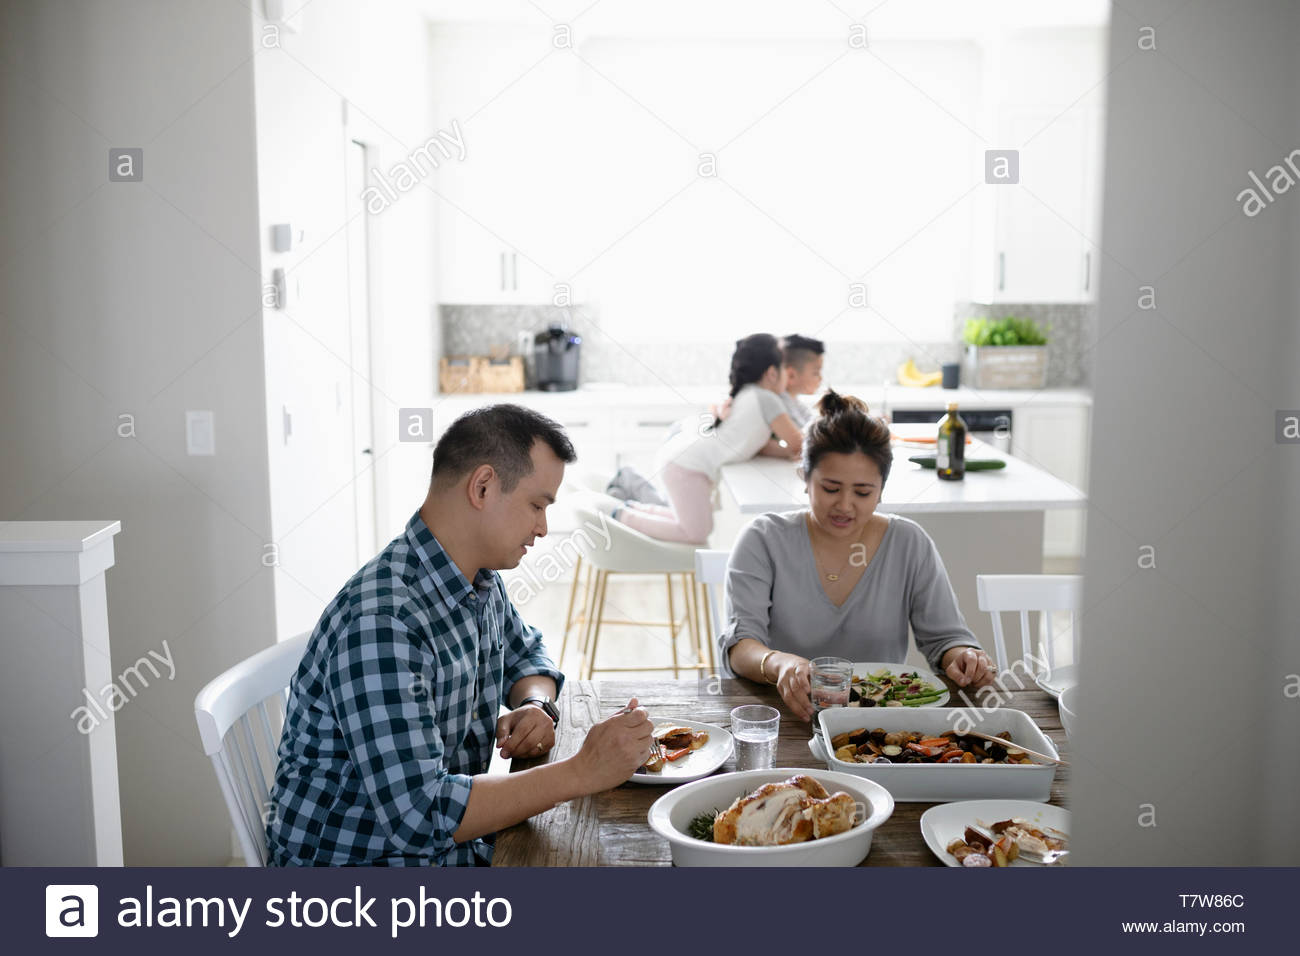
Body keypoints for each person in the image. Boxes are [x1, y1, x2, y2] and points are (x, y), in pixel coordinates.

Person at [265, 404, 653, 866]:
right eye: (537, 504)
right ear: (483, 486)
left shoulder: (478, 579)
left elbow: (527, 654)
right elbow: (423, 815)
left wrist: (535, 704)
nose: (543, 528)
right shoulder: (382, 623)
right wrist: (581, 772)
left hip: (447, 842)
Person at [719, 390, 997, 720]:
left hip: (883, 724)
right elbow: (740, 648)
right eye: (831, 488)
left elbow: (945, 638)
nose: (845, 505)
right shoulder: (763, 539)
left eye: (863, 492)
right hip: (787, 718)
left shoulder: (908, 542)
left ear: (881, 490)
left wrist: (964, 657)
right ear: (805, 479)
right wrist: (780, 664)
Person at [614, 333, 803, 544]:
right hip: (687, 466)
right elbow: (799, 443)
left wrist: (788, 451)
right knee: (696, 532)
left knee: (698, 525)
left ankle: (634, 509)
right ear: (771, 373)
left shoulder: (747, 394)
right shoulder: (767, 399)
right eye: (785, 369)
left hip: (682, 460)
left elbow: (763, 447)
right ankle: (623, 516)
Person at [778, 333, 824, 428]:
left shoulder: (794, 401)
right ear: (791, 375)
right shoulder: (781, 405)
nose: (820, 378)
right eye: (815, 373)